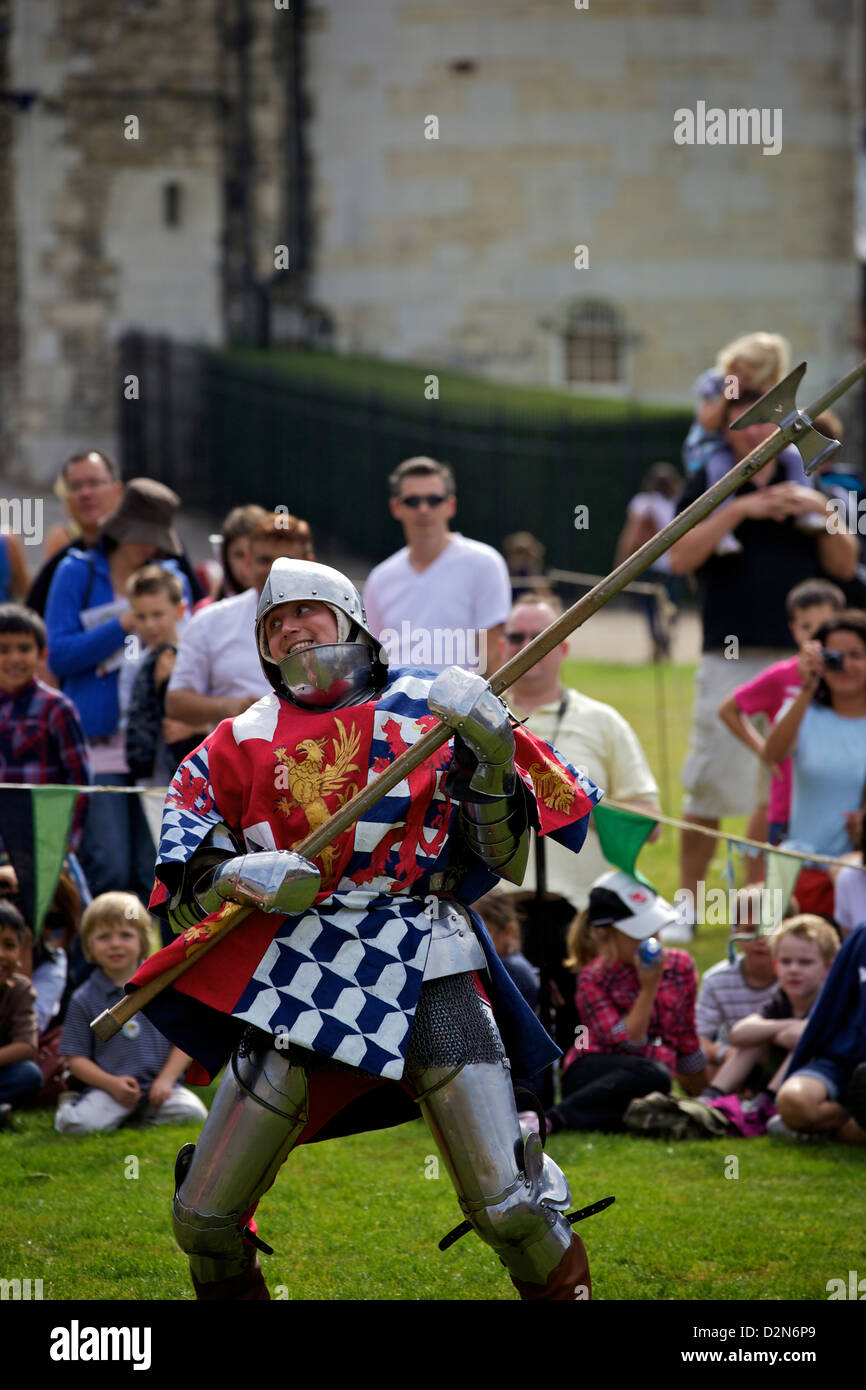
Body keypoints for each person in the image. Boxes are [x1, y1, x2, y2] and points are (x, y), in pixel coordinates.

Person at [132, 557, 602, 1301]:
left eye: (305, 612)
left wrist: (491, 760)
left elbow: (503, 856)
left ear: (349, 618)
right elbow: (184, 882)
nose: (291, 629)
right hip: (298, 970)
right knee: (205, 1220)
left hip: (426, 956)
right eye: (274, 623)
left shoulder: (432, 702)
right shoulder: (237, 740)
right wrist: (236, 876)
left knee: (508, 1206)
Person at [668, 392, 858, 934]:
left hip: (806, 660)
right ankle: (689, 904)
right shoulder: (711, 480)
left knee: (797, 785)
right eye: (743, 426)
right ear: (727, 432)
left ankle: (789, 905)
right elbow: (677, 557)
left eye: (765, 425)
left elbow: (845, 567)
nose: (755, 435)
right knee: (709, 784)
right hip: (730, 655)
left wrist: (820, 512)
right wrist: (738, 508)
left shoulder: (810, 477)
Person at [496, 595, 661, 1052]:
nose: (527, 646)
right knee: (507, 1044)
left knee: (585, 1046)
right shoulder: (476, 720)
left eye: (541, 638)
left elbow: (653, 822)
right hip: (499, 909)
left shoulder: (602, 721)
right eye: (516, 637)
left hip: (584, 915)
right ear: (500, 645)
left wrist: (575, 807)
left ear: (564, 648)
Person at [44, 479, 193, 901]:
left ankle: (150, 963)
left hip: (156, 750)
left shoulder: (172, 578)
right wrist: (123, 624)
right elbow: (60, 655)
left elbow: (192, 644)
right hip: (99, 744)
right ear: (122, 530)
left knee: (154, 866)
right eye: (143, 538)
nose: (149, 548)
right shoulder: (77, 570)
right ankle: (105, 960)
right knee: (107, 863)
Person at [546, 871, 708, 1135]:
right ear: (604, 934)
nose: (652, 939)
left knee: (656, 1085)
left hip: (650, 1076)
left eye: (654, 929)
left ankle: (585, 1117)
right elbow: (628, 1041)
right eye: (640, 933)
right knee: (655, 1077)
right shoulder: (593, 978)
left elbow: (686, 1038)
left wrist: (709, 1096)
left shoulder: (681, 966)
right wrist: (649, 987)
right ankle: (554, 1117)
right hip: (594, 1070)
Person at [716, 578, 844, 869]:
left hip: (840, 808)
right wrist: (765, 752)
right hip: (787, 808)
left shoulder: (851, 676)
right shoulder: (781, 676)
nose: (817, 637)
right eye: (806, 627)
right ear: (793, 630)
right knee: (783, 891)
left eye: (825, 627)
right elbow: (728, 709)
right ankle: (752, 911)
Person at [55, 892, 207, 1134]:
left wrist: (166, 1081)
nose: (115, 943)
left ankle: (140, 1113)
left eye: (125, 935)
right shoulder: (83, 998)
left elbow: (184, 1044)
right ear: (89, 947)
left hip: (160, 1090)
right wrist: (112, 1085)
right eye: (104, 937)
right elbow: (75, 1058)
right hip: (109, 1091)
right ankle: (73, 1106)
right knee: (77, 1125)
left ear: (142, 942)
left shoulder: (163, 988)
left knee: (193, 1112)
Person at [165, 511, 315, 731]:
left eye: (287, 560)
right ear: (248, 562)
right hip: (236, 757)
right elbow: (174, 702)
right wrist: (226, 706)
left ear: (310, 563)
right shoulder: (209, 621)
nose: (275, 570)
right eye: (265, 560)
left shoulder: (333, 619)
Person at [363, 457, 511, 675]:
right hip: (392, 704)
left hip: (460, 706)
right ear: (396, 507)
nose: (423, 509)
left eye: (434, 500)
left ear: (450, 505)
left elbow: (492, 659)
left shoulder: (485, 563)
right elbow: (371, 658)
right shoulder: (379, 578)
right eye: (412, 501)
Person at [764, 610, 866, 916]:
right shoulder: (803, 710)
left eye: (856, 655)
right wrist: (806, 686)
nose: (844, 665)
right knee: (785, 958)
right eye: (835, 656)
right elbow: (772, 755)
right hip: (797, 868)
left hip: (855, 873)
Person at [709, 914, 838, 1132]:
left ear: (828, 967)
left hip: (814, 1081)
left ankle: (766, 1104)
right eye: (786, 962)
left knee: (798, 1044)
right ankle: (711, 1097)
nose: (794, 969)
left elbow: (806, 1038)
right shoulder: (782, 998)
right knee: (753, 1042)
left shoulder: (830, 999)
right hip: (776, 1069)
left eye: (805, 962)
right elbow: (739, 1034)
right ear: (776, 965)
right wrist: (782, 1028)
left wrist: (773, 1031)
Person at [0, 603, 91, 852]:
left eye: (24, 649)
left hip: (44, 843)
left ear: (42, 654)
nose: (14, 658)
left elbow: (80, 781)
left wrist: (69, 841)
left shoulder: (57, 708)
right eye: (4, 650)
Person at [773, 924, 866, 1145]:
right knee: (792, 1101)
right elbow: (829, 1007)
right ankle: (851, 1118)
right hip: (842, 1062)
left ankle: (844, 1129)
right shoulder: (862, 936)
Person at [695, 885, 782, 1085]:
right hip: (735, 1059)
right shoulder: (716, 980)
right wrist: (727, 1054)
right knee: (694, 1064)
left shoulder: (797, 976)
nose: (761, 940)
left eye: (769, 928)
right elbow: (698, 1039)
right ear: (734, 931)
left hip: (782, 1059)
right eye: (751, 930)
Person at [125, 566, 202, 785]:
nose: (150, 624)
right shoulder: (140, 661)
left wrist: (167, 682)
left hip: (184, 767)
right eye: (141, 616)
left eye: (158, 615)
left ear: (179, 611)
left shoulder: (190, 657)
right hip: (148, 768)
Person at [682, 331, 790, 474]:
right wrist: (727, 396)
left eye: (746, 377)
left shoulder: (765, 390)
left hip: (750, 450)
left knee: (792, 456)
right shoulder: (715, 381)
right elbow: (707, 424)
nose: (738, 378)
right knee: (720, 467)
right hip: (712, 449)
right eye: (735, 369)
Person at [614, 462, 684, 661]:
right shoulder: (678, 502)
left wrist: (621, 562)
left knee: (651, 609)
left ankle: (658, 643)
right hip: (672, 564)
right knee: (670, 607)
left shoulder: (643, 502)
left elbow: (631, 534)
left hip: (651, 564)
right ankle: (664, 642)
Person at [0, 900, 42, 1128]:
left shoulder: (20, 988)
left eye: (8, 945)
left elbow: (26, 1046)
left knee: (28, 1075)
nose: (1, 954)